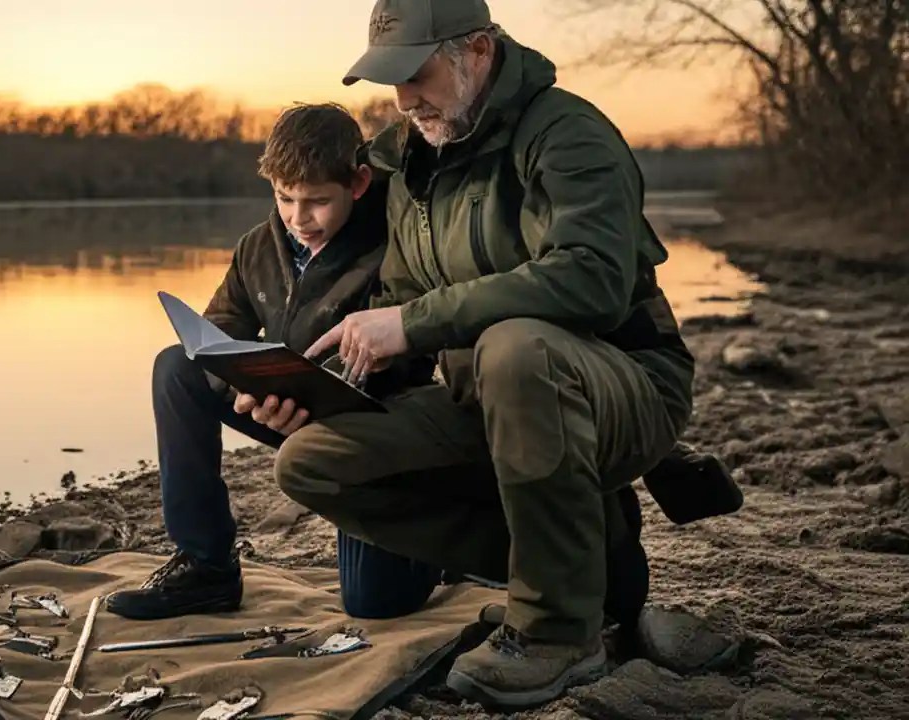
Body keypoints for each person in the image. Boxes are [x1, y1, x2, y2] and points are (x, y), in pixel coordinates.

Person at [264, 0, 700, 709]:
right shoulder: (409, 165)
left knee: (514, 346)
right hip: (486, 401)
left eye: (418, 74)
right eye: (390, 81)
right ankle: (582, 556)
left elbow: (592, 278)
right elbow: (403, 312)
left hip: (624, 392)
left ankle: (557, 631)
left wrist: (410, 320)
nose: (403, 98)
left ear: (478, 51)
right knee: (313, 463)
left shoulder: (568, 134)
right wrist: (313, 390)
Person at [103, 102, 444, 622]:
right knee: (177, 367)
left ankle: (446, 545)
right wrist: (245, 383)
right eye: (285, 198)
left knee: (374, 605)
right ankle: (206, 567)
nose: (298, 218)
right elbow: (218, 337)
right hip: (283, 405)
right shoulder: (258, 247)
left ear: (357, 183)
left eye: (316, 202)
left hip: (371, 430)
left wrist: (302, 401)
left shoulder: (395, 243)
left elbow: (398, 366)